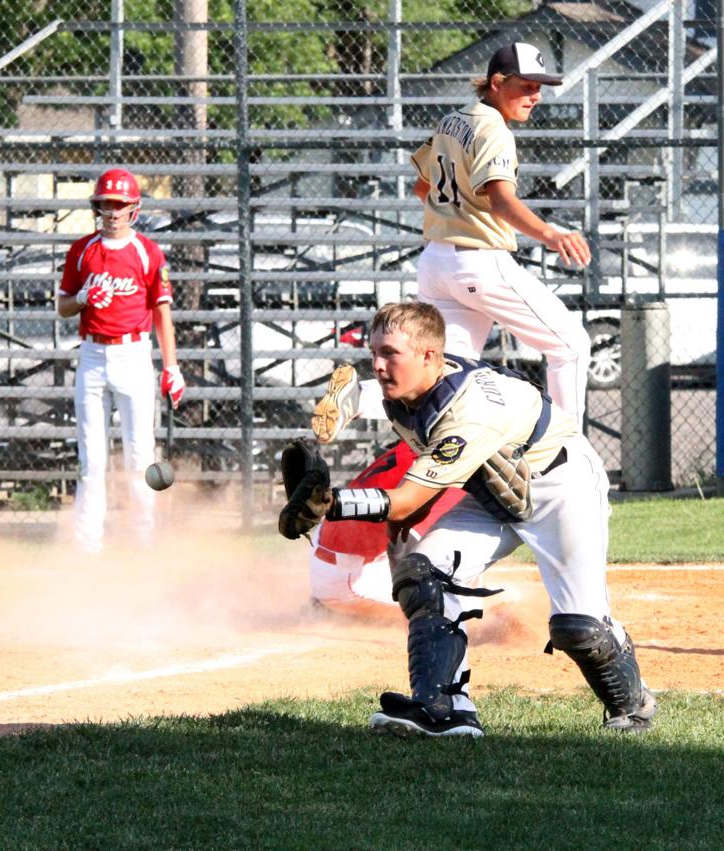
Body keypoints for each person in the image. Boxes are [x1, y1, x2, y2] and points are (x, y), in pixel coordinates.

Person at [290, 302, 655, 738]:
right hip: (493, 490)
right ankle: (444, 710)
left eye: (389, 354)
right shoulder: (412, 390)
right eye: (374, 354)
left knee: (577, 628)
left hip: (561, 487)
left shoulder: (468, 411)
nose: (379, 365)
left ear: (429, 355)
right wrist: (347, 403)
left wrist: (331, 504)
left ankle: (633, 703)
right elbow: (411, 481)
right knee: (425, 573)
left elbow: (406, 501)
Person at [312, 41, 594, 445]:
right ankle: (566, 447)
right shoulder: (493, 129)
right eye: (527, 85)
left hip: (437, 262)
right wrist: (550, 233)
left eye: (539, 87)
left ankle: (357, 398)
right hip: (479, 261)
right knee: (570, 345)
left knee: (443, 372)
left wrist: (454, 214)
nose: (536, 95)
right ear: (497, 83)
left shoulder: (452, 121)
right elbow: (500, 199)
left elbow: (422, 186)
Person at [56, 168, 185, 553]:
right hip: (93, 354)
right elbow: (63, 306)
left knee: (139, 458)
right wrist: (82, 298)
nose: (112, 212)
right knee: (91, 461)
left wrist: (172, 366)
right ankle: (87, 549)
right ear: (96, 207)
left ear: (134, 209)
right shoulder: (83, 250)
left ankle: (143, 543)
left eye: (119, 205)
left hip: (133, 353)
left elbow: (161, 312)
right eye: (106, 205)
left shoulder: (147, 251)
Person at [309, 440, 463, 617]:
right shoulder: (450, 472)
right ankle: (335, 607)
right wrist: (415, 608)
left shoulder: (424, 443)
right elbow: (405, 547)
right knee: (454, 608)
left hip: (332, 540)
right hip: (348, 574)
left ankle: (330, 604)